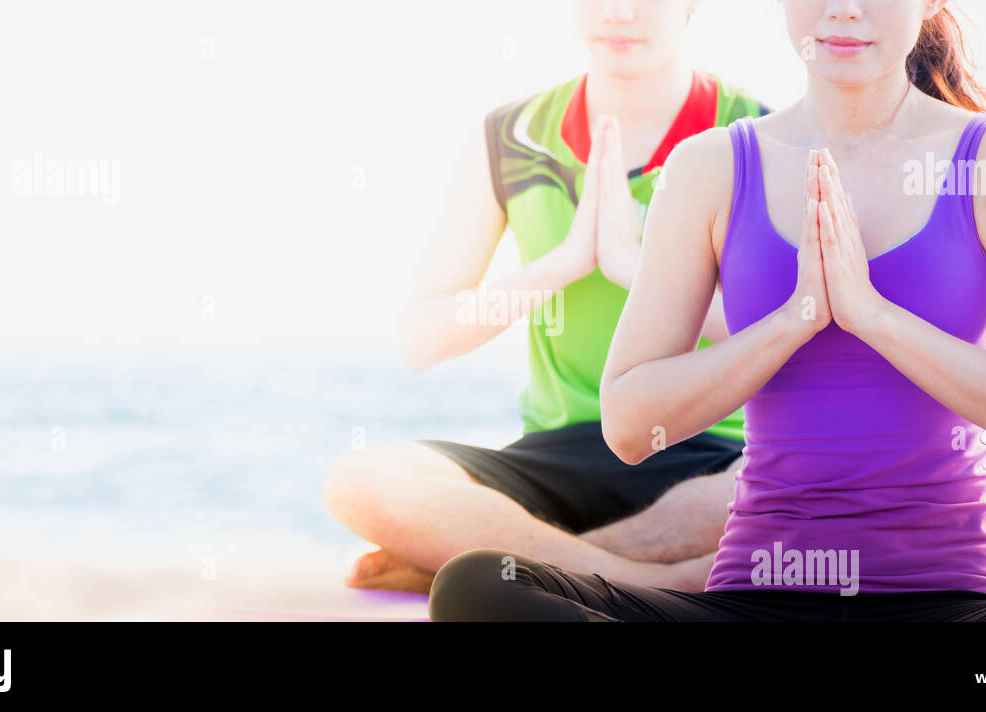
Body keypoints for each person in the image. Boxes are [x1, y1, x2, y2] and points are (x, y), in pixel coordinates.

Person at [427, 0, 986, 621]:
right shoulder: (712, 166)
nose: (845, 8)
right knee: (480, 587)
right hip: (758, 597)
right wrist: (793, 319)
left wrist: (873, 315)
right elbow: (627, 422)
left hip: (949, 600)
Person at [322, 0, 769, 593]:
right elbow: (422, 339)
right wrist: (562, 264)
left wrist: (636, 268)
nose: (619, 14)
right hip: (554, 456)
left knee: (786, 487)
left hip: (705, 454)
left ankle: (488, 565)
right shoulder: (509, 135)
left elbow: (782, 342)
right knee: (360, 480)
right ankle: (636, 579)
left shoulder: (757, 135)